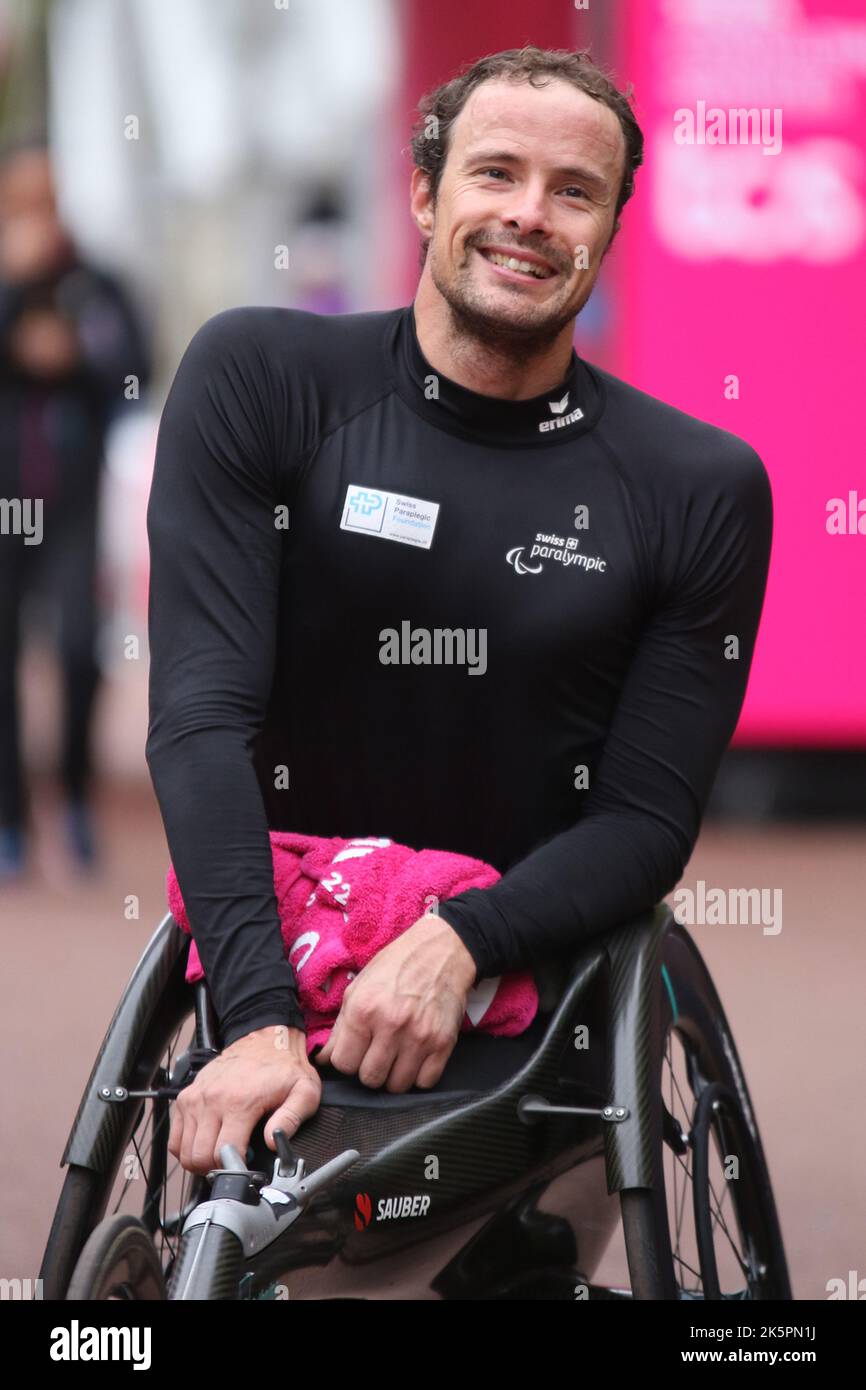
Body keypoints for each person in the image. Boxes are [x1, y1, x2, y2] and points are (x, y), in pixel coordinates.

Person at [145, 46, 772, 1177]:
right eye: (494, 174)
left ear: (607, 228)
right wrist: (255, 1017)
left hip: (527, 984)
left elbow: (642, 820)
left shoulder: (697, 485)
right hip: (285, 951)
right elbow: (200, 720)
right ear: (426, 193)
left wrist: (458, 943)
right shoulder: (260, 378)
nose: (529, 215)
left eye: (572, 191)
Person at [0, 141, 151, 879]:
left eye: (48, 196)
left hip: (71, 500)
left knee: (77, 644)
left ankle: (78, 799)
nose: (38, 211)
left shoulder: (96, 282)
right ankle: (9, 819)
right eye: (22, 195)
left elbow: (135, 369)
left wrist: (76, 358)